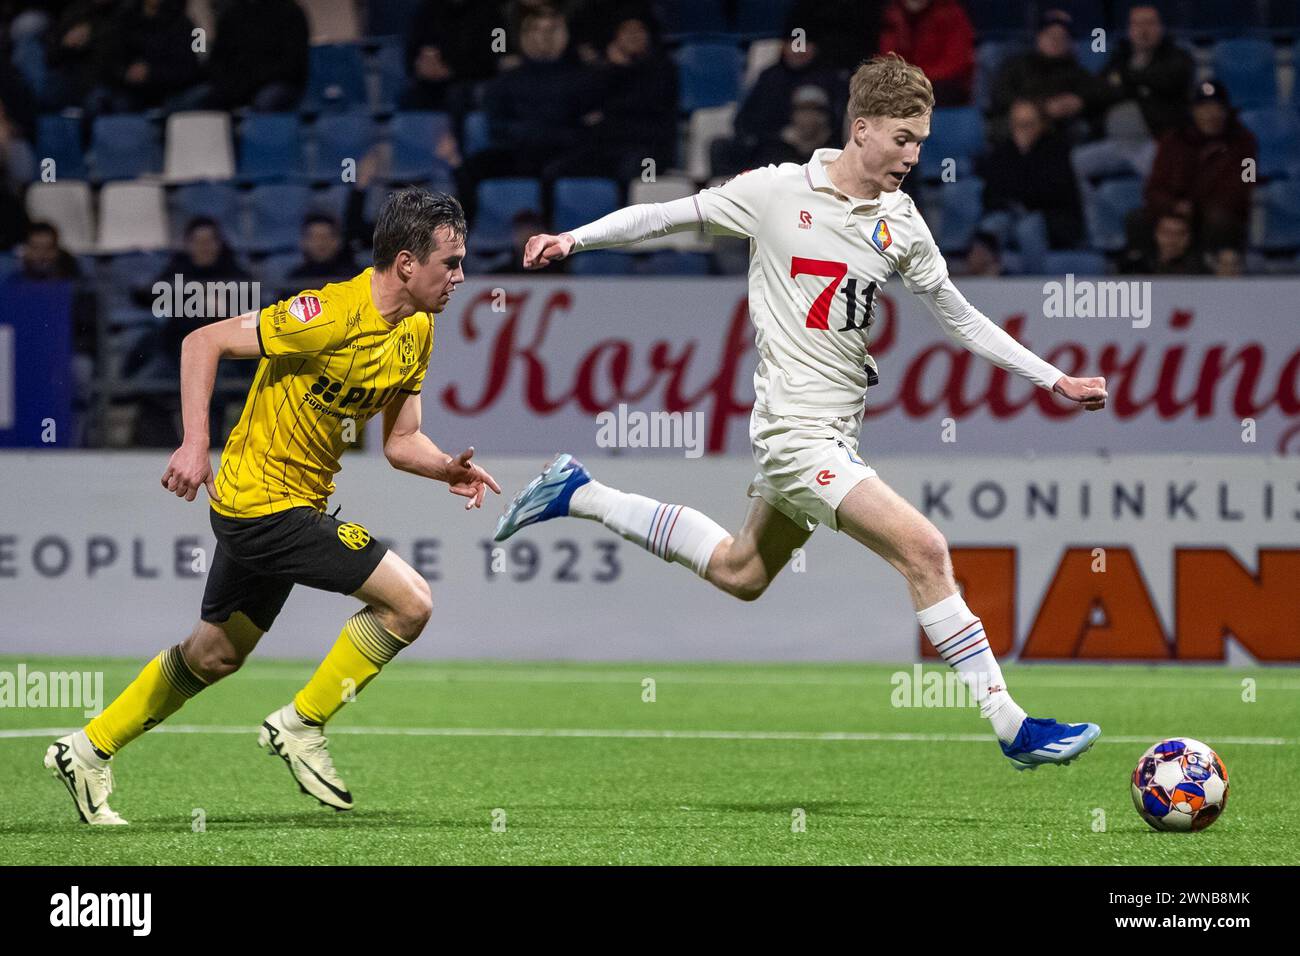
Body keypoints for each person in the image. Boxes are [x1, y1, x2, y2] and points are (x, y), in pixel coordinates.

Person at [498, 54, 1108, 771]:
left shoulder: (901, 222)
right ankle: (1012, 726)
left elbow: (961, 317)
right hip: (795, 435)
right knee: (927, 551)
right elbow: (670, 214)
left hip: (833, 435)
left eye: (922, 142)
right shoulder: (776, 193)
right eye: (904, 139)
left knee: (740, 572)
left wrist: (1052, 379)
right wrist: (577, 238)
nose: (915, 156)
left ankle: (581, 491)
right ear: (862, 130)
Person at [43, 189, 502, 825]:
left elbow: (401, 442)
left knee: (214, 656)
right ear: (405, 264)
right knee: (411, 601)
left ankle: (88, 750)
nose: (460, 277)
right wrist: (196, 444)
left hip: (286, 506)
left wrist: (445, 467)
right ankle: (301, 724)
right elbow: (202, 342)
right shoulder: (325, 314)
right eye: (450, 263)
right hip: (263, 505)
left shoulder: (417, 331)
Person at [877, 0, 975, 107]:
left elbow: (957, 60)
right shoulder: (894, 15)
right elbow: (888, 56)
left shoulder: (950, 12)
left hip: (943, 87)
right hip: (905, 84)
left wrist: (920, 80)